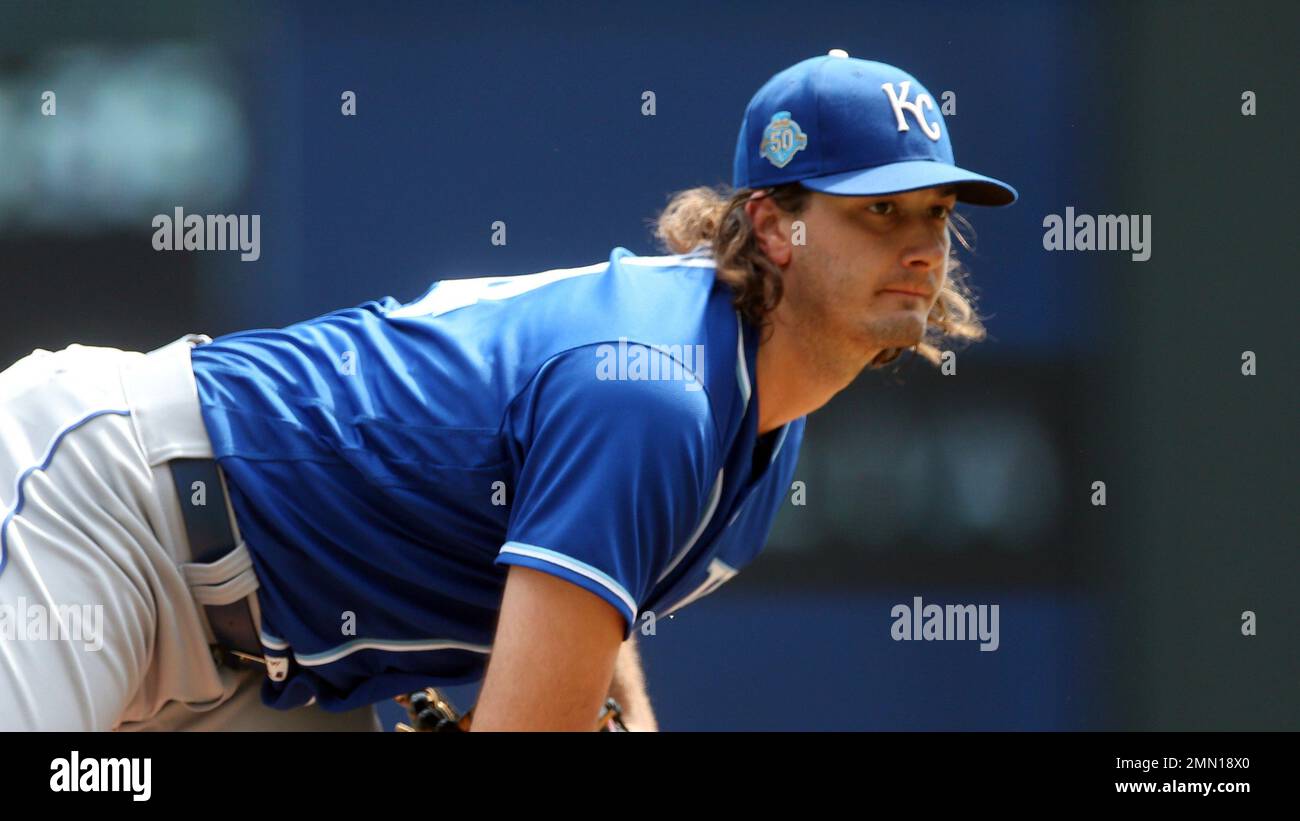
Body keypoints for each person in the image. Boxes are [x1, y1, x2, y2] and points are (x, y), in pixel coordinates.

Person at [0, 51, 1015, 731]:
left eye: (936, 212)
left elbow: (580, 604)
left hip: (217, 641)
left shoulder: (755, 399)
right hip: (103, 508)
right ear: (775, 223)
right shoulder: (657, 390)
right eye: (879, 211)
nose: (922, 245)